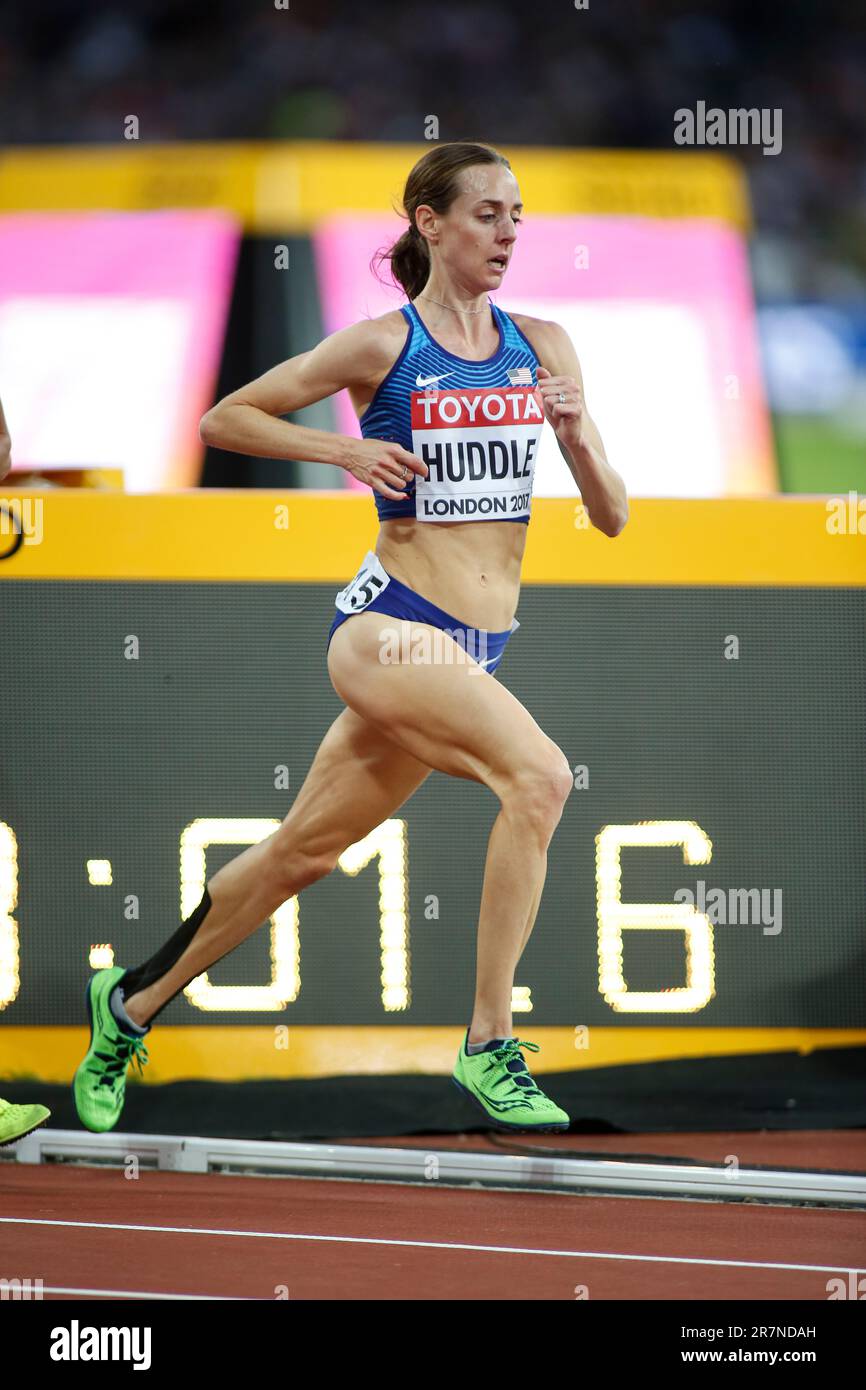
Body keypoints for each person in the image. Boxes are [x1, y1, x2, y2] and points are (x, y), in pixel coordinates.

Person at [73, 140, 627, 1135]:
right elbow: (226, 417)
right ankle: (488, 1043)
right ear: (428, 221)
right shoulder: (381, 346)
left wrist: (577, 431)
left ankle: (129, 1005)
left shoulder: (542, 343)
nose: (507, 232)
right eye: (485, 214)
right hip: (386, 632)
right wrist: (344, 446)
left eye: (515, 215)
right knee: (539, 779)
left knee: (300, 853)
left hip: (473, 647)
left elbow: (612, 514)